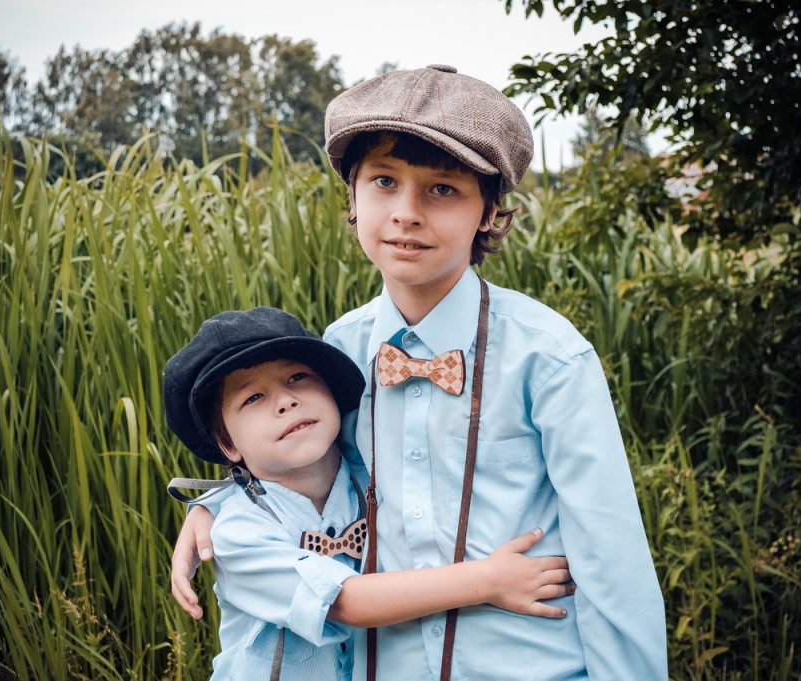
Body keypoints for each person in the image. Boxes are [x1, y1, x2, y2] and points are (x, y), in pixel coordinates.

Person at [172, 64, 668, 680]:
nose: (406, 213)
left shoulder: (549, 356)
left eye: (442, 189)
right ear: (352, 197)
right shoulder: (335, 355)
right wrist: (217, 507)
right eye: (384, 181)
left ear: (489, 211)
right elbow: (306, 478)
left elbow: (611, 558)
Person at [164, 306, 576, 681]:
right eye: (253, 397)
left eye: (298, 377)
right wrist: (488, 580)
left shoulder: (370, 477)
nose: (286, 401)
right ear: (228, 445)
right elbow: (346, 603)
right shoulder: (238, 532)